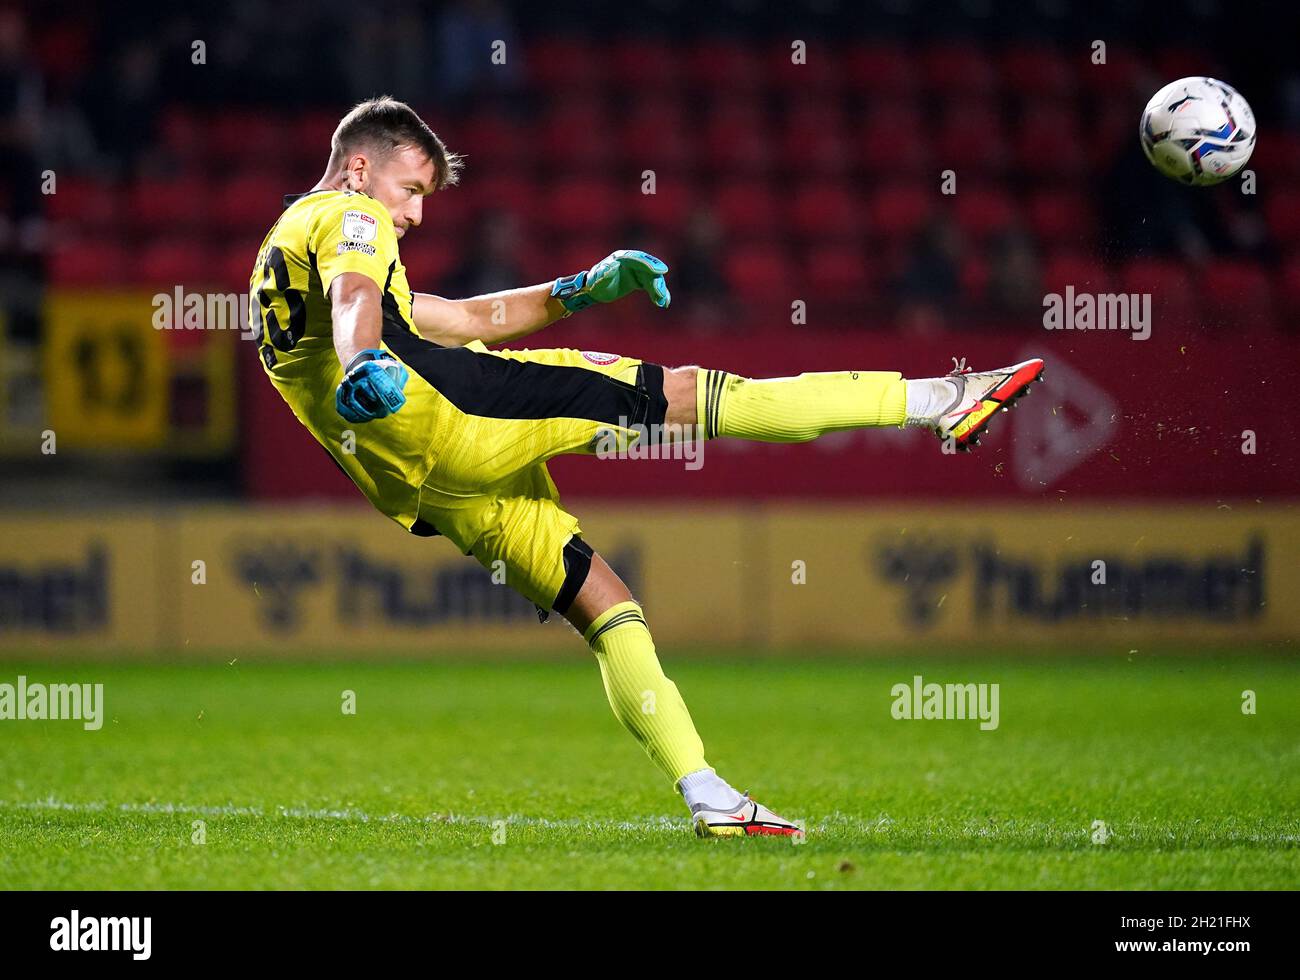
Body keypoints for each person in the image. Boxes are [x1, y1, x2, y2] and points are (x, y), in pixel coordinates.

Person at [250, 96, 1043, 838]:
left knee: (603, 603)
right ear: (360, 169)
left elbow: (459, 317)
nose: (415, 212)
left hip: (432, 484)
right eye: (410, 188)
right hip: (465, 415)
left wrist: (582, 287)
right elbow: (357, 303)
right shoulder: (349, 214)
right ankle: (941, 398)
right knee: (699, 395)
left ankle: (706, 793)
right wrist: (361, 360)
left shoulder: (282, 253)